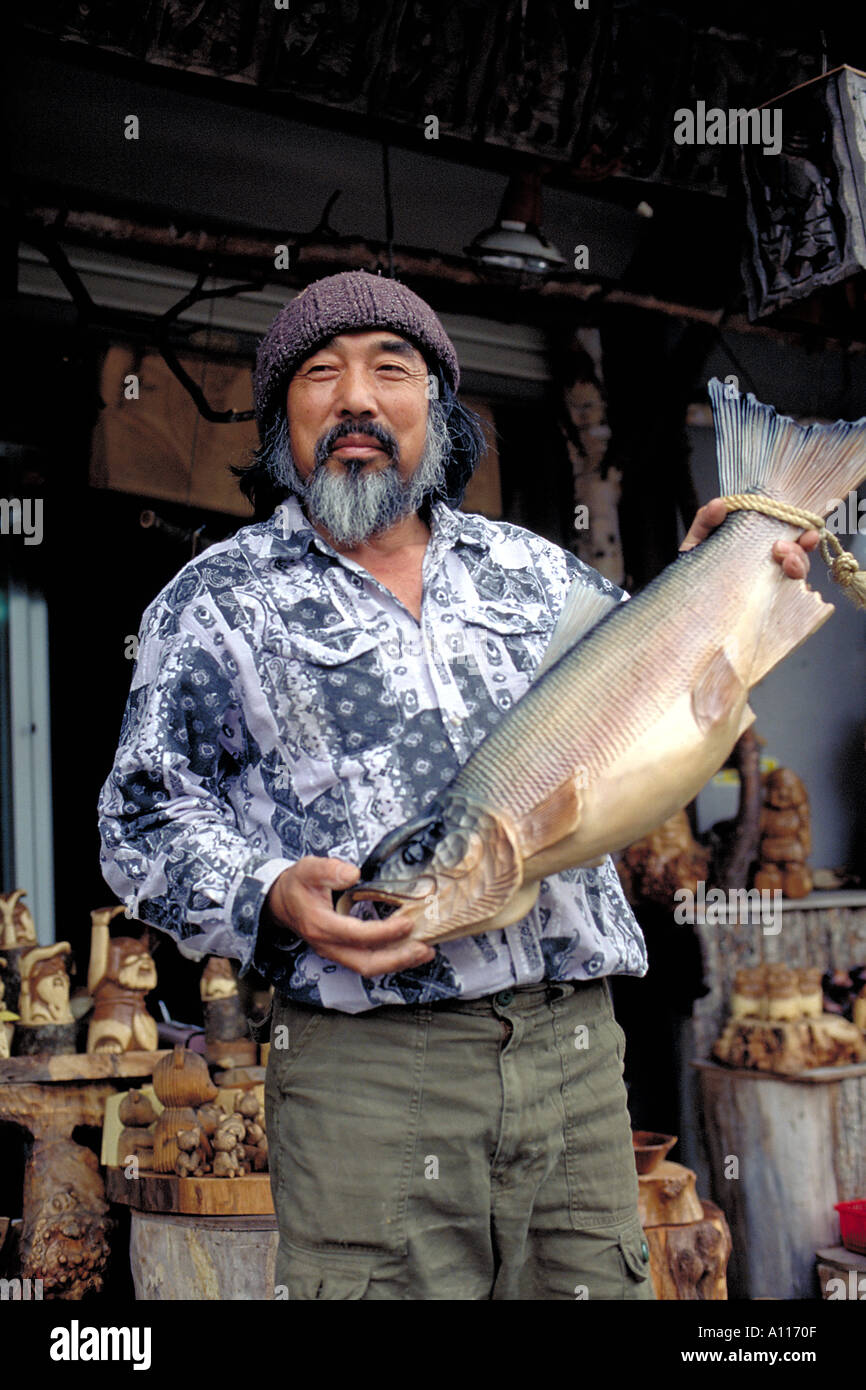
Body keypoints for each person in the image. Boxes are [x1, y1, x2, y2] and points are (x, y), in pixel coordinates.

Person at [98, 270, 816, 1300]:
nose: (354, 397)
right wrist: (267, 890)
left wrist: (715, 580)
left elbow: (669, 689)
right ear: (279, 423)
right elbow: (139, 823)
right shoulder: (215, 602)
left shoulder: (537, 574)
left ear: (435, 412)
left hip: (568, 1053)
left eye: (390, 369)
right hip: (367, 1074)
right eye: (318, 374)